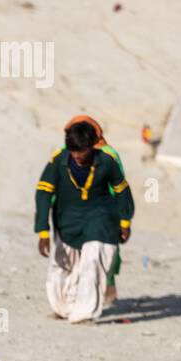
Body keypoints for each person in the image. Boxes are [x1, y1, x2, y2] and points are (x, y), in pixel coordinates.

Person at [36, 120, 134, 323]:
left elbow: (122, 191)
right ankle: (63, 308)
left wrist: (125, 221)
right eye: (74, 152)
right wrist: (43, 231)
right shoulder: (58, 161)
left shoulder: (107, 160)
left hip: (100, 217)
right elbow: (44, 192)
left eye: (83, 151)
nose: (78, 157)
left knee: (93, 261)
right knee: (62, 264)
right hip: (67, 219)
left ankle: (84, 313)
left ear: (92, 146)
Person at [60, 115, 126, 305]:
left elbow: (118, 186)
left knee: (102, 255)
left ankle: (105, 291)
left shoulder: (108, 155)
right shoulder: (68, 154)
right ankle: (77, 298)